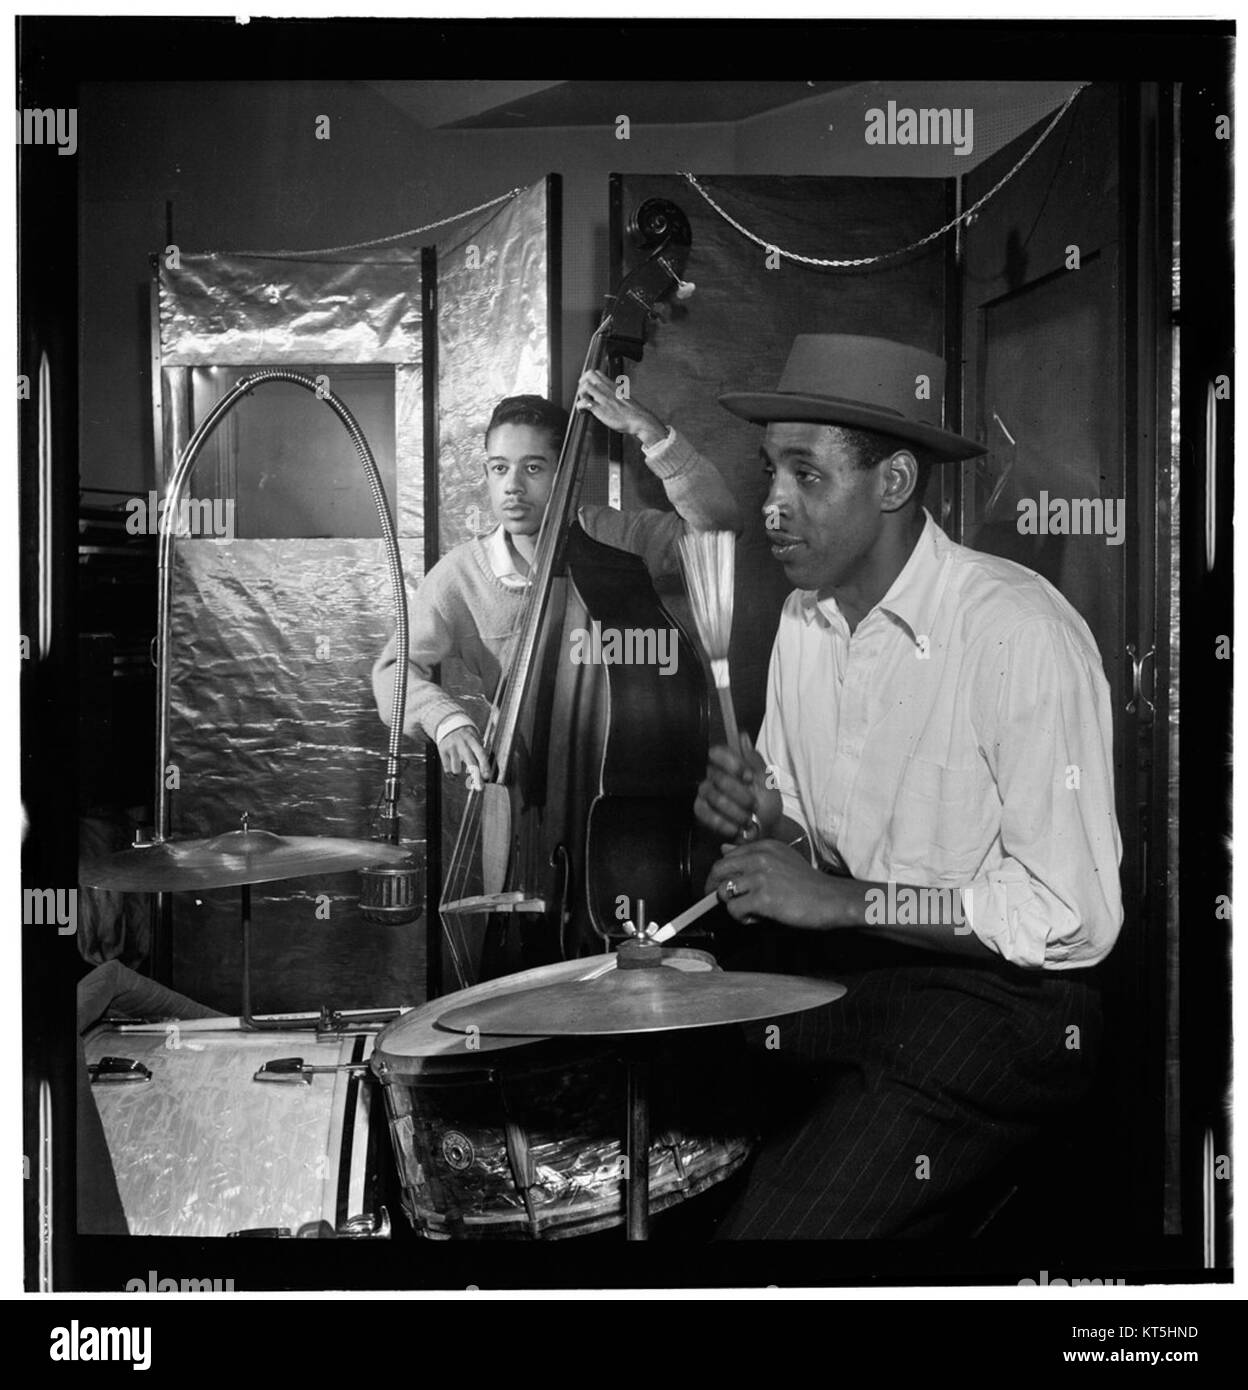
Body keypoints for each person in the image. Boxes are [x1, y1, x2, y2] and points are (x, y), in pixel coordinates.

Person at [693, 334, 1123, 1239]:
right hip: (874, 978)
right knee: (677, 1117)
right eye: (770, 472)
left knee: (771, 1241)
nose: (770, 506)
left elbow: (1068, 915)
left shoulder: (1016, 632)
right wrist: (775, 825)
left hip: (1011, 1007)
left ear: (892, 484)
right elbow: (813, 838)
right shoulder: (806, 620)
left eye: (805, 477)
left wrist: (842, 901)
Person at [372, 375, 742, 782]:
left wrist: (649, 432)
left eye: (533, 467)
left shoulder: (616, 538)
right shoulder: (459, 576)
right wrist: (444, 721)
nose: (512, 487)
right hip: (519, 784)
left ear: (564, 472)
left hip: (628, 771)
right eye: (499, 469)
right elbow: (394, 670)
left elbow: (719, 528)